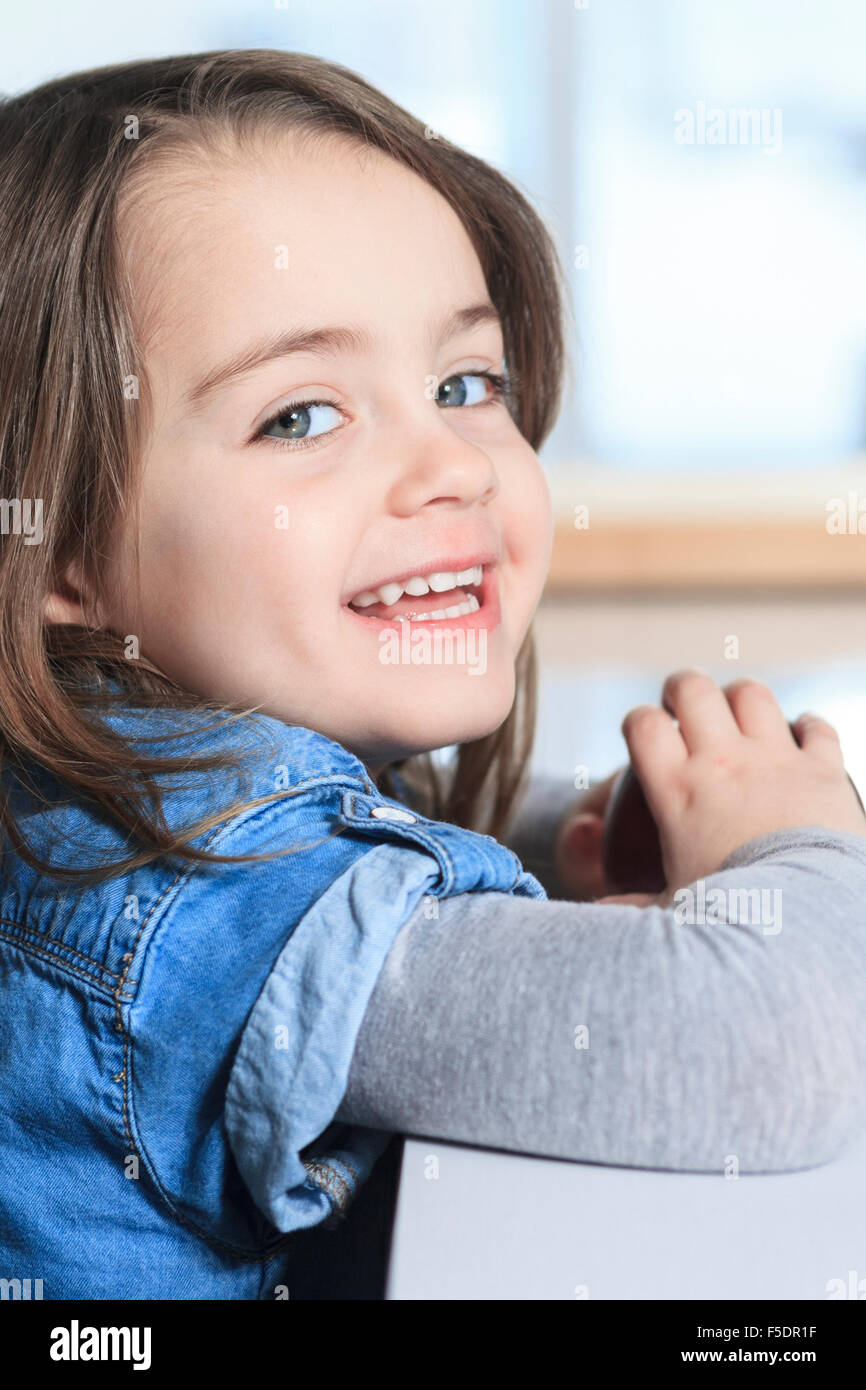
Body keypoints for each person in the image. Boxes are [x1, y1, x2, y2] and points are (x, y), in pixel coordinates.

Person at [1, 49, 865, 1301]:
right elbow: (770, 1060)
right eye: (300, 416)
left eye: (465, 385)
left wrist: (540, 840)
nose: (451, 464)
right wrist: (792, 848)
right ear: (58, 543)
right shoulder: (218, 893)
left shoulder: (103, 797)